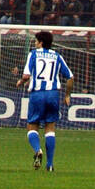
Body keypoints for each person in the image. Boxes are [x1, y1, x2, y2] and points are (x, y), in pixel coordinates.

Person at [17, 29, 73, 171]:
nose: (35, 44)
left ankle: (38, 150)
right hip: (53, 94)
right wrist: (67, 95)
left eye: (36, 41)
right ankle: (50, 164)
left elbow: (26, 75)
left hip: (38, 94)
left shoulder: (33, 54)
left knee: (32, 126)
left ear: (41, 43)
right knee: (50, 128)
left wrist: (21, 82)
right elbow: (70, 77)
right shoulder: (57, 56)